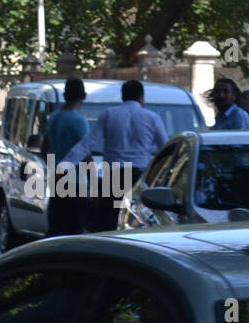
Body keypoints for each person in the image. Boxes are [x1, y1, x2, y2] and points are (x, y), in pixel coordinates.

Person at [61, 80, 168, 232]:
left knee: (106, 223)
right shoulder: (152, 118)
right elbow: (165, 148)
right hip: (137, 178)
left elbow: (88, 143)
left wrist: (65, 165)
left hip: (112, 177)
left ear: (122, 96)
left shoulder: (109, 114)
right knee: (136, 222)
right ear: (141, 97)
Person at [44, 77, 90, 236]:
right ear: (84, 96)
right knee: (73, 229)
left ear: (64, 95)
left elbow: (45, 147)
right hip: (75, 182)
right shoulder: (78, 121)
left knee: (56, 227)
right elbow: (85, 154)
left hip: (57, 180)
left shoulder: (54, 118)